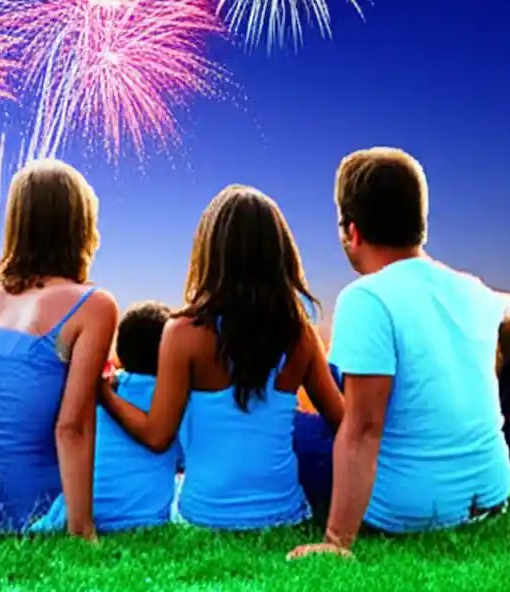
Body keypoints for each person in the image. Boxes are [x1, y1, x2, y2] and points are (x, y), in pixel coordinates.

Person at [290, 147, 510, 559]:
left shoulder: (367, 299)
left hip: (409, 511)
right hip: (491, 495)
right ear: (420, 223)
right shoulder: (471, 289)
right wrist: (496, 356)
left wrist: (337, 540)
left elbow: (362, 429)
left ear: (352, 231)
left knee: (284, 429)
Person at [99, 185, 344, 530]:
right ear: (280, 254)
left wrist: (105, 395)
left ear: (210, 252)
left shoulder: (182, 332)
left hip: (202, 516)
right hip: (285, 514)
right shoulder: (299, 335)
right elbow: (343, 422)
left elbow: (157, 436)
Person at [0, 159, 118, 539]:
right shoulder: (94, 305)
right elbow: (72, 426)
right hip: (30, 512)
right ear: (79, 225)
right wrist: (83, 529)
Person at [30, 301, 180, 533]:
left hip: (78, 513)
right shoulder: (177, 402)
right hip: (144, 520)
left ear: (119, 352)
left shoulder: (103, 388)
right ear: (172, 355)